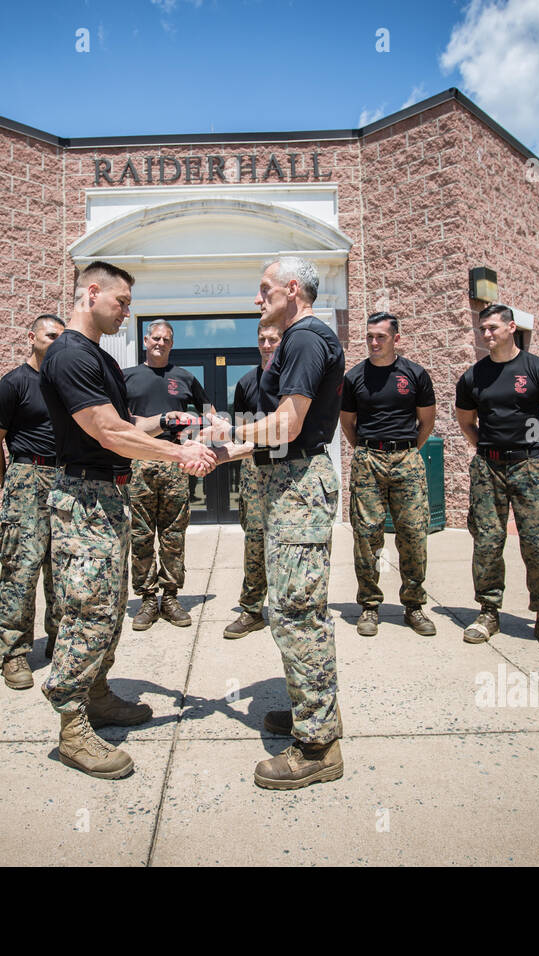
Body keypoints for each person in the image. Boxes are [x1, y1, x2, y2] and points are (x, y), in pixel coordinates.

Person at [40, 261, 214, 779]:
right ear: (92, 293)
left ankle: (96, 694)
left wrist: (166, 424)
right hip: (85, 499)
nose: (127, 312)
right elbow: (107, 433)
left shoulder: (100, 358)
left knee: (110, 605)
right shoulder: (69, 354)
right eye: (122, 302)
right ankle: (71, 726)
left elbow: (129, 424)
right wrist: (179, 457)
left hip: (109, 498)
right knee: (87, 611)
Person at [198, 256, 345, 790]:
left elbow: (288, 422)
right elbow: (279, 426)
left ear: (291, 289)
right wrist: (233, 440)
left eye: (264, 290)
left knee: (297, 614)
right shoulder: (298, 340)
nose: (257, 300)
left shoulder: (305, 337)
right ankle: (315, 713)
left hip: (300, 487)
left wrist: (233, 441)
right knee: (291, 609)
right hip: (288, 481)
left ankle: (319, 747)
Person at [454, 305, 539, 649]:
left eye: (492, 328)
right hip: (488, 468)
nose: (487, 334)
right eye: (483, 329)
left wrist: (535, 451)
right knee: (487, 542)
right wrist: (488, 449)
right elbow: (466, 422)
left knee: (538, 544)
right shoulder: (474, 377)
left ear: (511, 327)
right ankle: (489, 611)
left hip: (529, 468)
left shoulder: (538, 369)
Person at [340, 312, 437, 637]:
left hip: (407, 458)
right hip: (368, 459)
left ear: (396, 338)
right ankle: (369, 605)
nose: (373, 342)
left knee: (413, 535)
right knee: (367, 536)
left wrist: (406, 449)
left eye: (380, 336)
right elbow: (348, 424)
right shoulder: (355, 377)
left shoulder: (415, 374)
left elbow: (426, 421)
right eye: (369, 336)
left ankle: (414, 605)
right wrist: (368, 450)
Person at [0, 314, 65, 689]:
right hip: (27, 476)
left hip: (63, 479)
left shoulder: (65, 384)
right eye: (50, 336)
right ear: (32, 337)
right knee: (22, 568)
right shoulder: (13, 384)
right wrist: (13, 483)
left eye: (62, 338)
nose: (56, 343)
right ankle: (14, 653)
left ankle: (58, 639)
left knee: (61, 567)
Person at [124, 320, 210, 631]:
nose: (160, 343)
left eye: (167, 339)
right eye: (156, 338)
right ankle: (148, 598)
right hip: (140, 462)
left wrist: (199, 439)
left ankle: (171, 596)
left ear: (172, 344)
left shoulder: (184, 377)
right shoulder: (127, 378)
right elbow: (121, 423)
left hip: (176, 462)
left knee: (174, 535)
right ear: (146, 340)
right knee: (142, 534)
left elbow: (210, 413)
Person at [224, 321, 281, 639]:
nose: (267, 343)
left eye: (273, 338)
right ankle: (252, 610)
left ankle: (290, 608)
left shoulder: (291, 380)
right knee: (255, 540)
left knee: (290, 541)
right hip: (254, 470)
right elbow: (241, 433)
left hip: (290, 470)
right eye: (262, 338)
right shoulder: (246, 382)